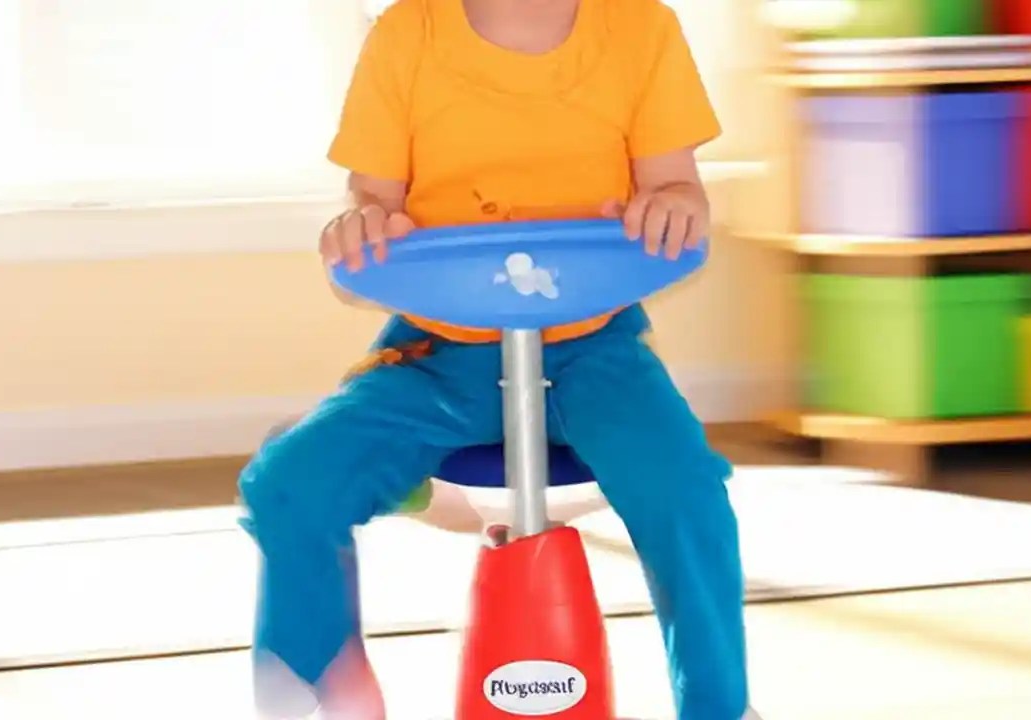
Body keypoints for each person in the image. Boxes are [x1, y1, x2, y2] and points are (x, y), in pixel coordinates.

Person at [238, 0, 759, 717]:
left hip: (592, 346)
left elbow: (677, 188)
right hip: (439, 348)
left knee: (686, 491)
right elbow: (372, 198)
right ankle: (322, 690)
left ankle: (719, 704)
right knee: (288, 481)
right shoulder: (407, 33)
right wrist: (361, 223)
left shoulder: (641, 28)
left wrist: (671, 208)